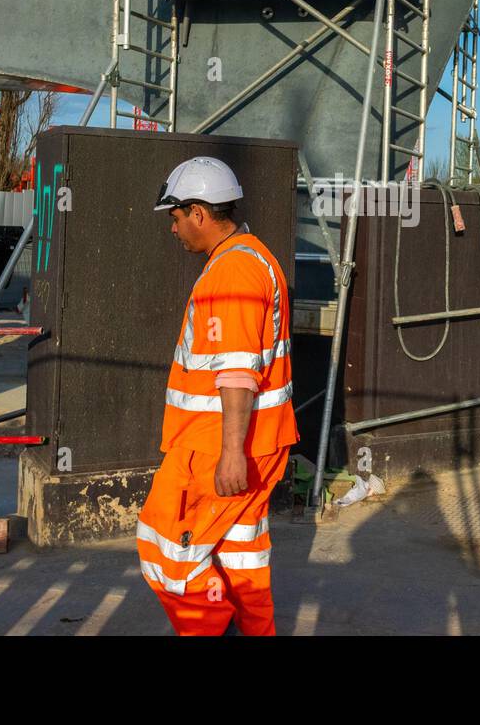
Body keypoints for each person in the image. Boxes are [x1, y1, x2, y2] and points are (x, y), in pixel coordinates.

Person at [136, 156, 298, 636]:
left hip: (216, 449)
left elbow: (236, 374)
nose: (174, 228)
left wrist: (231, 454)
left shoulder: (232, 272)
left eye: (176, 216)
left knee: (166, 550)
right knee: (239, 555)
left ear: (200, 213)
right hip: (255, 442)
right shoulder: (254, 259)